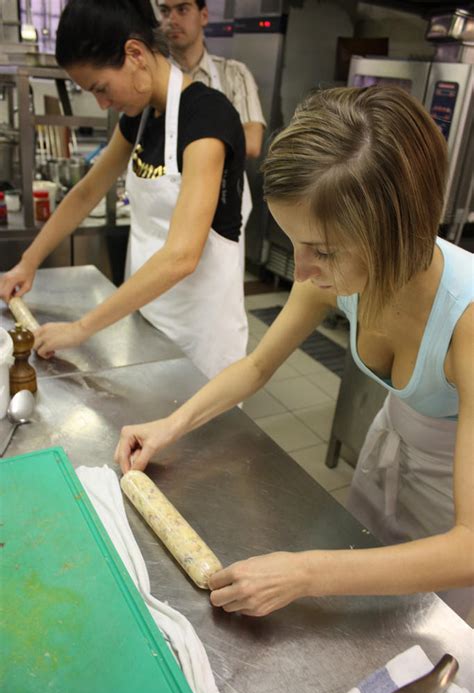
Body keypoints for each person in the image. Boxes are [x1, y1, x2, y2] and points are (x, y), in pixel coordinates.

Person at [115, 86, 474, 619]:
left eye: (322, 252)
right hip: (390, 451)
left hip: (453, 501)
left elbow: (466, 548)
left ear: (394, 236)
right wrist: (174, 424)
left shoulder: (466, 323)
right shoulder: (347, 265)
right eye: (295, 244)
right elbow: (259, 365)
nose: (301, 272)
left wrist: (306, 572)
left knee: (436, 630)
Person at [0, 0, 248, 380]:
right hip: (146, 315)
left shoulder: (207, 120)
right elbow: (87, 192)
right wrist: (28, 261)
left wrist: (80, 329)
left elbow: (182, 255)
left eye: (101, 88)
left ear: (135, 54)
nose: (102, 103)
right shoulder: (144, 114)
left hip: (199, 334)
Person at [156, 0, 266, 159]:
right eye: (165, 11)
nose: (172, 20)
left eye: (182, 9)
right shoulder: (153, 76)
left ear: (204, 16)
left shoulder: (235, 74)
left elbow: (251, 142)